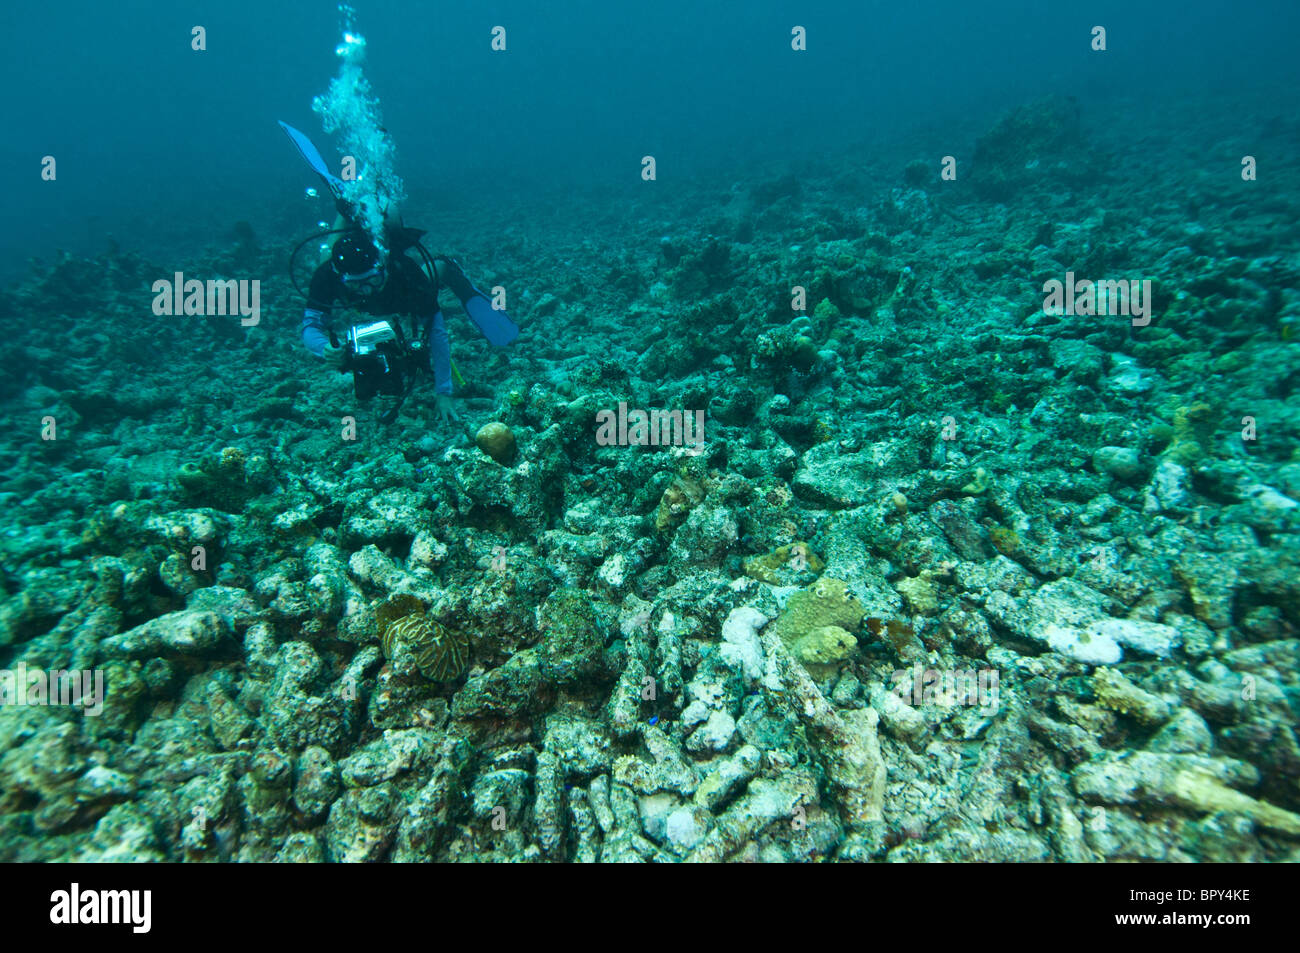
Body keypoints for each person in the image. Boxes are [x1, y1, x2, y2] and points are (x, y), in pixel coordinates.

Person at [301, 227, 505, 425]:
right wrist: (325, 348)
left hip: (397, 292)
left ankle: (444, 265)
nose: (366, 290)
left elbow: (436, 332)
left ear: (382, 265)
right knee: (326, 254)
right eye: (355, 284)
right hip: (362, 285)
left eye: (372, 280)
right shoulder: (327, 275)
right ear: (341, 278)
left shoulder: (403, 270)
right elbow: (310, 326)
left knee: (431, 275)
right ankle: (344, 212)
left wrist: (444, 392)